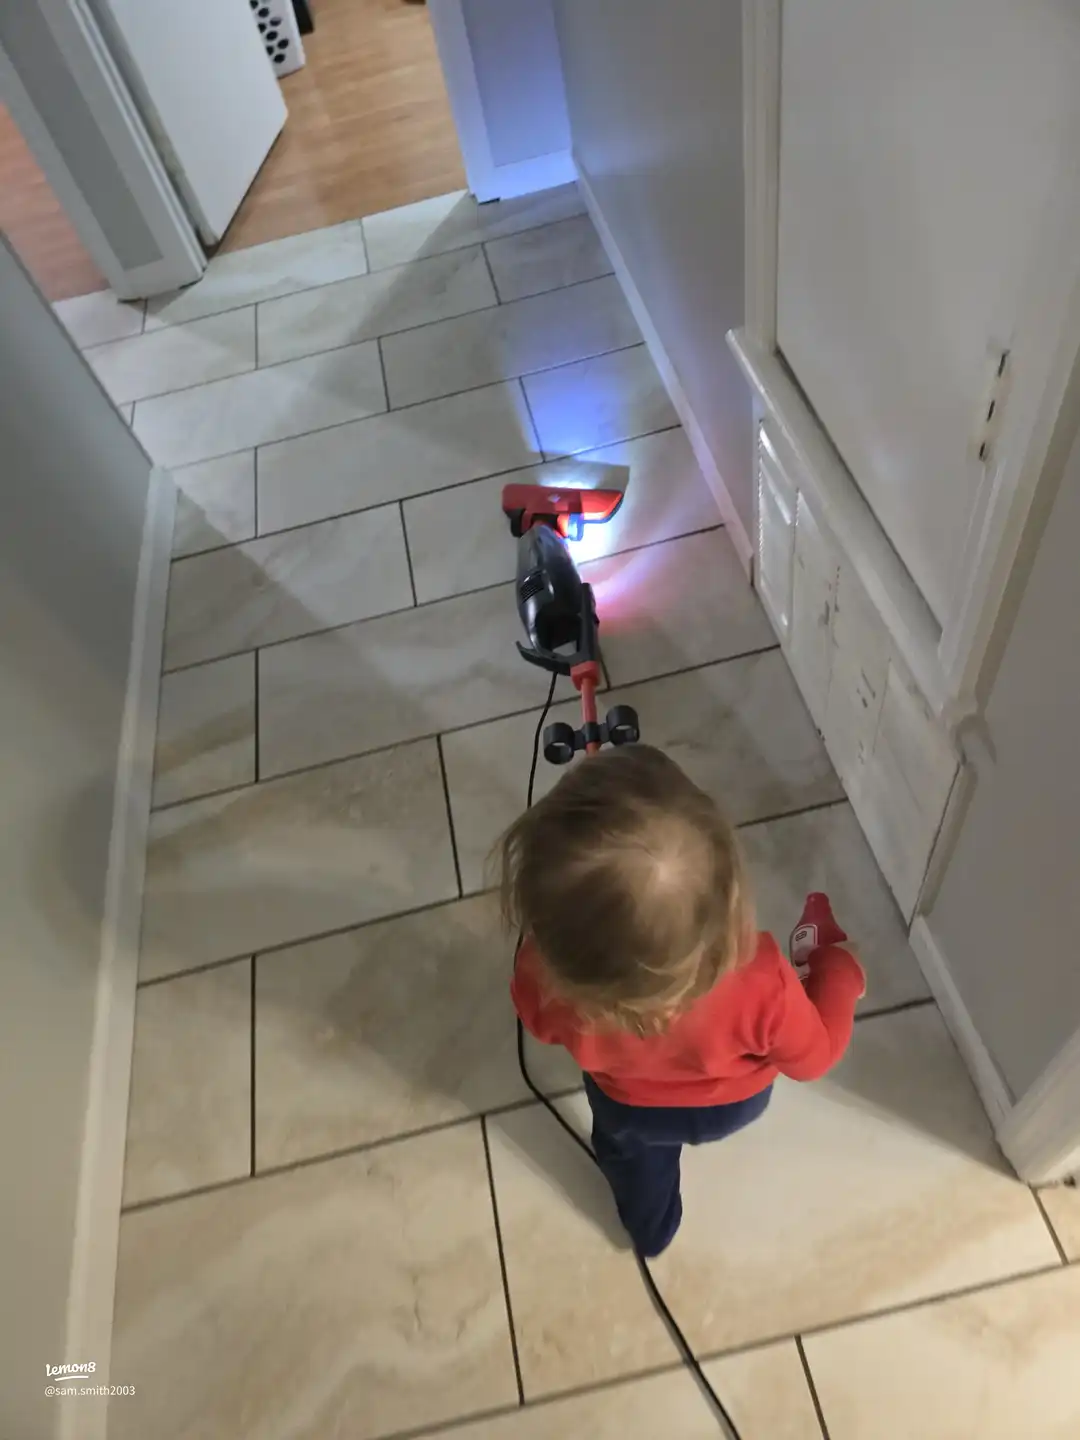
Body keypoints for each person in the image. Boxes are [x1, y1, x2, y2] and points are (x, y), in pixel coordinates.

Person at [497, 743, 865, 1258]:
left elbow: (536, 1018)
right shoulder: (764, 981)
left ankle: (651, 1232)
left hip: (628, 1110)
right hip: (732, 1105)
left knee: (632, 1163)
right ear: (733, 896)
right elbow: (815, 1057)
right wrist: (838, 972)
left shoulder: (544, 982)